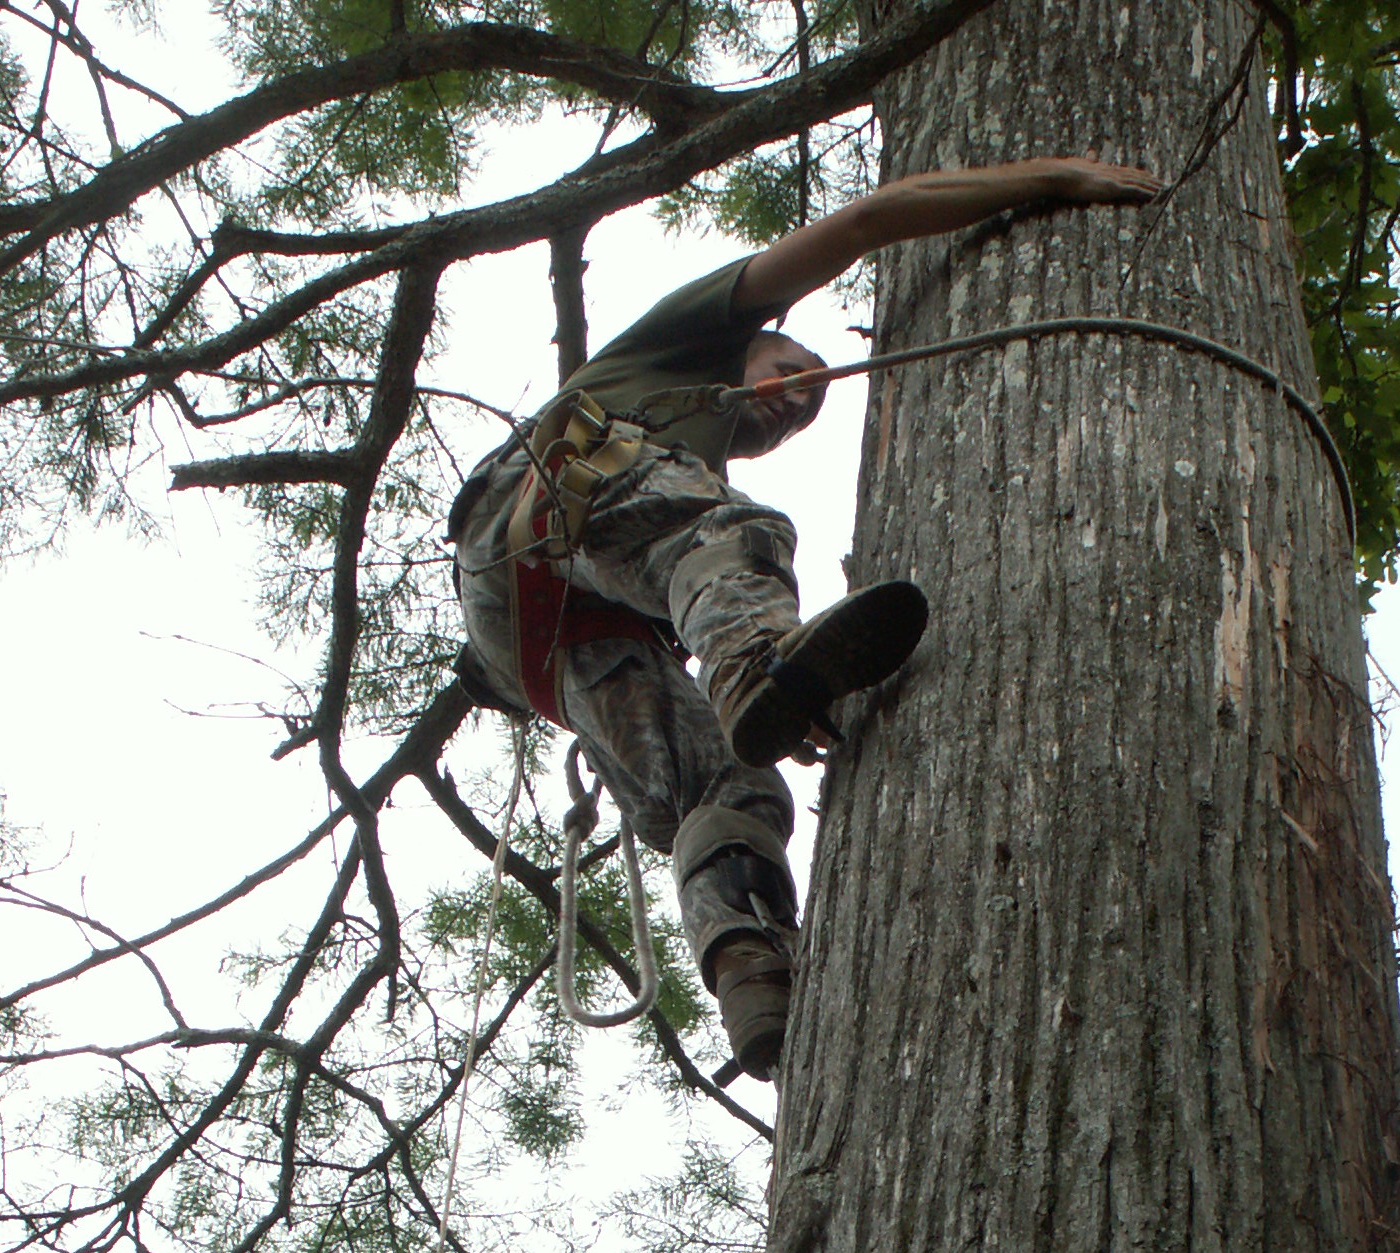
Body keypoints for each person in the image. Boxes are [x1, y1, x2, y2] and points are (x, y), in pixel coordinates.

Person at [451, 155, 1159, 1080]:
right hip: (542, 511)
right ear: (752, 342)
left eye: (807, 411)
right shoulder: (682, 345)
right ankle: (750, 658)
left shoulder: (675, 503)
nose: (796, 397)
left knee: (729, 790)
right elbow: (868, 222)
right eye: (794, 370)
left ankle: (750, 968)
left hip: (559, 633)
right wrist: (1051, 180)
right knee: (731, 530)